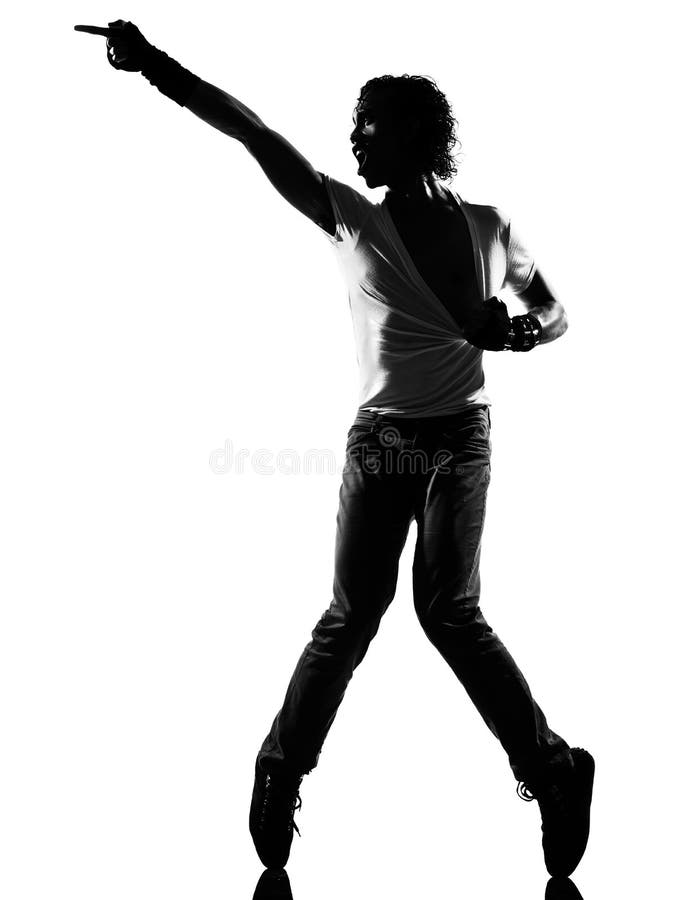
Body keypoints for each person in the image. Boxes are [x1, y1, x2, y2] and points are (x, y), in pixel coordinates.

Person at [75, 20, 595, 879]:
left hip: (461, 437)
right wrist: (156, 67)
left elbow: (558, 313)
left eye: (368, 125)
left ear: (414, 134)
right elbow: (250, 131)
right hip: (382, 439)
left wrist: (519, 336)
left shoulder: (491, 227)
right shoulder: (344, 215)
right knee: (352, 613)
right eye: (353, 125)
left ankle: (552, 768)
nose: (353, 139)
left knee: (448, 611)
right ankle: (280, 769)